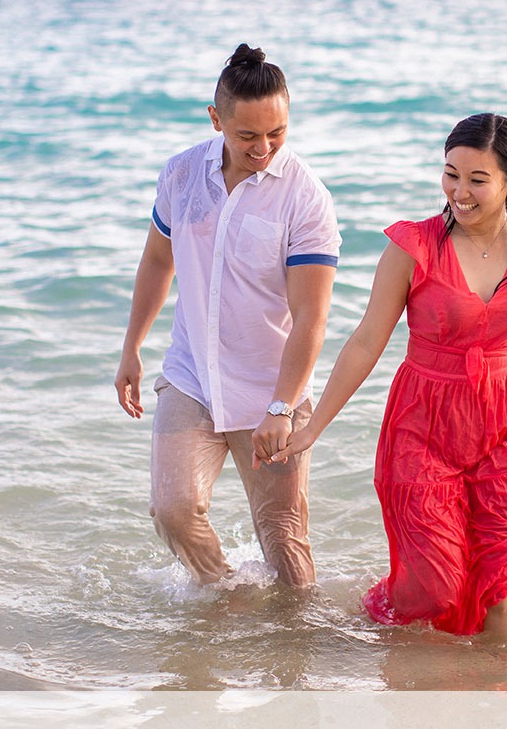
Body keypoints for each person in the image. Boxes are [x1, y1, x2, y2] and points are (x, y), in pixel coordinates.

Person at [270, 113, 507, 636]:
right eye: (450, 174)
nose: (459, 192)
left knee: (498, 580)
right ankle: (381, 626)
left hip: (505, 430)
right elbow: (366, 341)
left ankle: (496, 701)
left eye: (477, 180)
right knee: (435, 583)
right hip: (424, 426)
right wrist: (311, 428)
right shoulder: (413, 246)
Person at [114, 44, 341, 588]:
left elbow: (311, 316)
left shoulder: (305, 197)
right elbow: (156, 260)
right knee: (172, 509)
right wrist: (131, 348)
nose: (263, 148)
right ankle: (225, 596)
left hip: (271, 388)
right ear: (216, 119)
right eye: (247, 136)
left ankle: (296, 653)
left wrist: (283, 406)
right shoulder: (181, 174)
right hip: (192, 376)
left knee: (284, 541)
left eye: (277, 133)